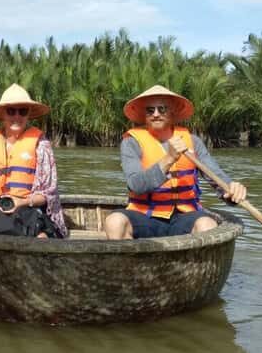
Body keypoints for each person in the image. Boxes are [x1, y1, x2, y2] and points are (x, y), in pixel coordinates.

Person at [104, 85, 247, 240]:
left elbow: (217, 177)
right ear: (144, 115)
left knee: (207, 224)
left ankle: (194, 263)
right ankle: (127, 263)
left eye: (162, 109)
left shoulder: (193, 142)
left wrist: (232, 191)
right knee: (114, 221)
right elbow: (136, 185)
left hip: (184, 216)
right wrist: (169, 158)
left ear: (172, 112)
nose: (156, 114)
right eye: (150, 110)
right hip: (143, 214)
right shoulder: (131, 142)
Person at [0, 84, 67, 238]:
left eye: (23, 111)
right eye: (11, 111)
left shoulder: (41, 144)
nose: (17, 116)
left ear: (29, 114)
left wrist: (20, 203)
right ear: (2, 113)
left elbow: (48, 193)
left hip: (28, 208)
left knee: (41, 236)